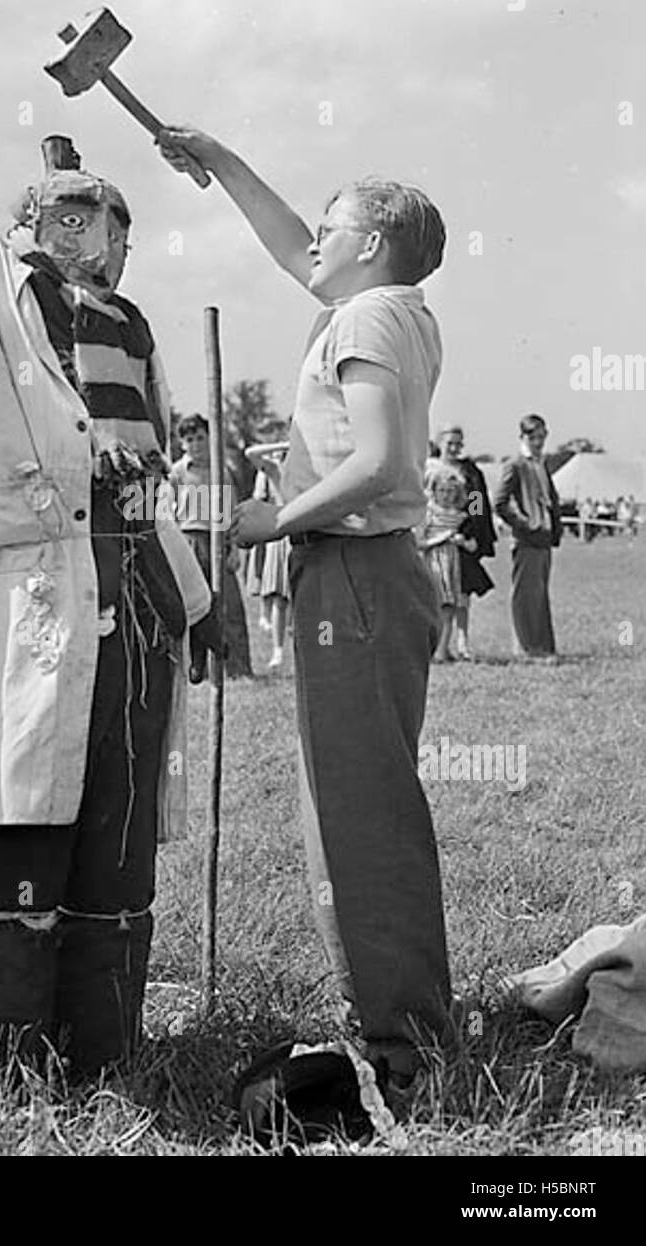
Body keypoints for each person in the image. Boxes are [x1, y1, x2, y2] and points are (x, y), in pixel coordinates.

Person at [0, 136, 214, 1102]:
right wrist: (79, 472)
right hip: (32, 598)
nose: (102, 242)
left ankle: (98, 1057)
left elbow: (149, 485)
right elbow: (0, 440)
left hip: (136, 604)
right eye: (80, 219)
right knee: (17, 828)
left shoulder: (132, 326)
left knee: (117, 832)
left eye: (111, 225)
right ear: (38, 223)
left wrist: (194, 596)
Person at [158, 127, 451, 1093]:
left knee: (360, 816)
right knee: (355, 805)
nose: (312, 242)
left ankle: (408, 1049)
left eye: (333, 228)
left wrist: (270, 519)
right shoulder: (387, 306)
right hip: (370, 574)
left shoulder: (365, 322)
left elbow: (381, 466)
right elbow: (291, 245)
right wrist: (220, 160)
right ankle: (394, 1016)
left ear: (371, 245)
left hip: (356, 571)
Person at [169, 413, 253, 678]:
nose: (195, 444)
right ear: (182, 444)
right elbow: (167, 512)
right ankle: (196, 667)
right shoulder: (177, 472)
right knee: (193, 606)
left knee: (229, 606)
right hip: (188, 540)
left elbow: (231, 511)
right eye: (189, 439)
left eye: (200, 438)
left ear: (210, 439)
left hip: (217, 540)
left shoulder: (222, 471)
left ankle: (238, 667)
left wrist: (234, 549)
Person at [493, 414, 562, 662]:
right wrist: (524, 524)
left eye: (542, 436)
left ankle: (542, 646)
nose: (538, 441)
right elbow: (498, 502)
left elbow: (551, 499)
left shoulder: (542, 464)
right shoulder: (515, 465)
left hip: (544, 538)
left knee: (540, 594)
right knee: (526, 595)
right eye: (533, 437)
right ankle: (527, 648)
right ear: (523, 437)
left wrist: (553, 528)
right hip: (527, 539)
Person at [428, 426, 495, 659]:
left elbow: (477, 503)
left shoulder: (470, 472)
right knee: (439, 595)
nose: (455, 448)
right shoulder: (429, 467)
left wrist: (473, 530)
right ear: (440, 444)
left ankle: (462, 641)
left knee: (463, 593)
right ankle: (438, 646)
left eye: (459, 443)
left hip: (461, 535)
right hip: (434, 535)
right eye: (450, 443)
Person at [417, 462, 477, 662]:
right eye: (442, 490)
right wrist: (443, 538)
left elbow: (473, 540)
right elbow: (419, 541)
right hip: (434, 563)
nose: (446, 495)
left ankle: (446, 648)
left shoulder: (461, 515)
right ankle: (432, 649)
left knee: (451, 606)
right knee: (436, 606)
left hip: (453, 564)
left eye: (451, 491)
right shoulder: (428, 513)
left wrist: (466, 542)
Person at [245, 440, 291, 670]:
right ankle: (278, 651)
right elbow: (251, 453)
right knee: (279, 600)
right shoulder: (276, 467)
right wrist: (287, 443)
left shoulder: (316, 466)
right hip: (283, 535)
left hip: (313, 534)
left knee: (317, 603)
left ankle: (325, 642)